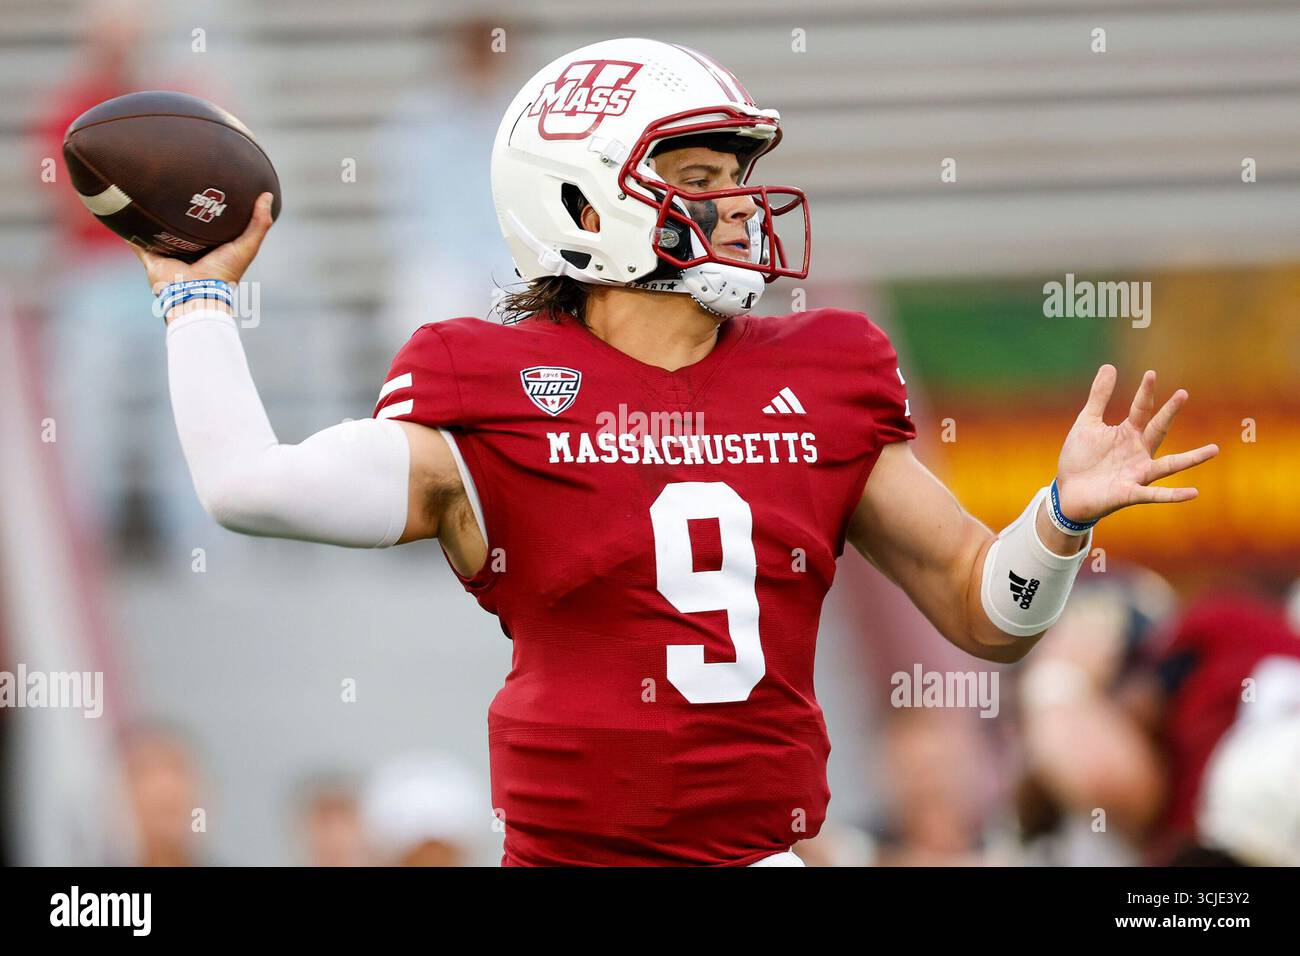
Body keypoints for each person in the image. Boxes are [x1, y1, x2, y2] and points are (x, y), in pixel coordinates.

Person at [126, 38, 1217, 866]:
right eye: (696, 175)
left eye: (735, 171)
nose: (737, 203)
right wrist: (197, 294)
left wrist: (1060, 516)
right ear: (582, 199)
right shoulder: (489, 384)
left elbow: (990, 611)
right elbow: (245, 484)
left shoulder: (824, 369)